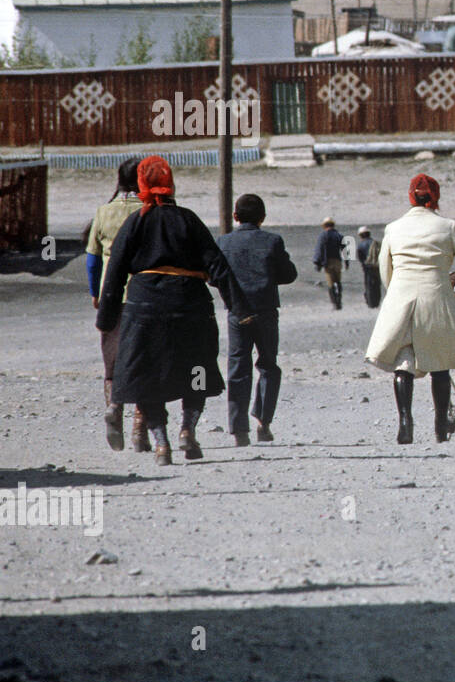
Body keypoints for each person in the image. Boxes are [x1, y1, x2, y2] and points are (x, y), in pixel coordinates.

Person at [95, 156, 250, 465]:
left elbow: (114, 271)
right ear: (171, 183)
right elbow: (216, 263)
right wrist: (239, 306)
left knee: (146, 375)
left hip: (144, 308)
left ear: (141, 185)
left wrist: (107, 318)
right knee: (197, 369)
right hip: (189, 304)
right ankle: (188, 432)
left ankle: (162, 444)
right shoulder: (188, 219)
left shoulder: (135, 222)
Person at [365, 174, 455, 444]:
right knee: (439, 361)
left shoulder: (393, 228)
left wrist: (395, 292)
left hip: (401, 299)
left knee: (403, 361)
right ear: (436, 197)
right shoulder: (448, 226)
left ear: (411, 196)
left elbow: (386, 271)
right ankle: (440, 424)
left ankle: (405, 422)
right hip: (437, 299)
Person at [218, 193, 298, 447]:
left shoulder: (224, 242)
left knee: (237, 368)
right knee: (268, 365)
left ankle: (238, 428)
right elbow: (289, 275)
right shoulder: (272, 241)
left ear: (235, 216)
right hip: (265, 310)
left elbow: (214, 277)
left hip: (237, 313)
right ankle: (263, 422)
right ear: (263, 217)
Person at [86, 158, 146, 452]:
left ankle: (114, 406)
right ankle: (139, 429)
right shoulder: (148, 212)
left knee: (113, 362)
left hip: (111, 296)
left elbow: (92, 258)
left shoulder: (104, 212)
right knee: (146, 361)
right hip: (144, 296)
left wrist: (94, 291)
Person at [312, 217, 348, 309]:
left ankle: (334, 303)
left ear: (325, 226)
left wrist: (317, 263)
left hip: (327, 262)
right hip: (337, 262)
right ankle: (339, 300)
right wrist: (346, 262)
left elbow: (319, 250)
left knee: (330, 283)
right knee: (338, 281)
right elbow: (345, 250)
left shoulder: (323, 236)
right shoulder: (339, 235)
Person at [356, 226, 382, 308]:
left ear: (361, 235)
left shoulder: (361, 245)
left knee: (369, 285)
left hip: (367, 268)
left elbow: (360, 258)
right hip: (377, 267)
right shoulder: (376, 243)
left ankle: (371, 303)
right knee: (377, 284)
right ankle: (377, 302)